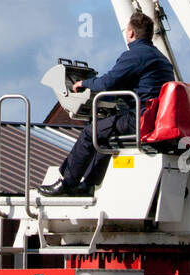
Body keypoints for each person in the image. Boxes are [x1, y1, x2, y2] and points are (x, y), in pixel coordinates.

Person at [42, 11, 175, 197]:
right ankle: (88, 184)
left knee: (90, 132)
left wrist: (84, 83)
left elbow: (107, 83)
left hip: (139, 119)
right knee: (104, 134)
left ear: (130, 33)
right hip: (154, 118)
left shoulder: (135, 56)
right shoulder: (161, 59)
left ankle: (67, 183)